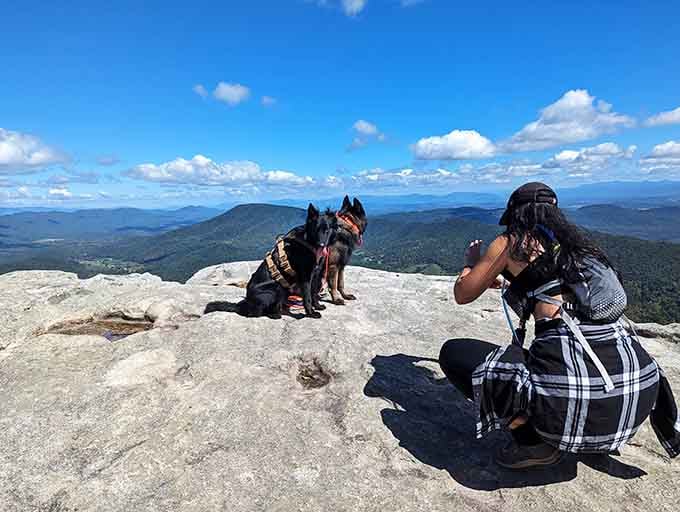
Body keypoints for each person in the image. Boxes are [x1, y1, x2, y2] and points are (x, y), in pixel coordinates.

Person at [439, 182, 680, 470]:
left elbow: (463, 294)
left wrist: (471, 265)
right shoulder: (577, 249)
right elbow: (547, 284)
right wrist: (504, 281)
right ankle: (585, 433)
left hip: (575, 407)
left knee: (455, 354)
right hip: (629, 404)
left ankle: (532, 442)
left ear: (514, 213)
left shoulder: (512, 241)